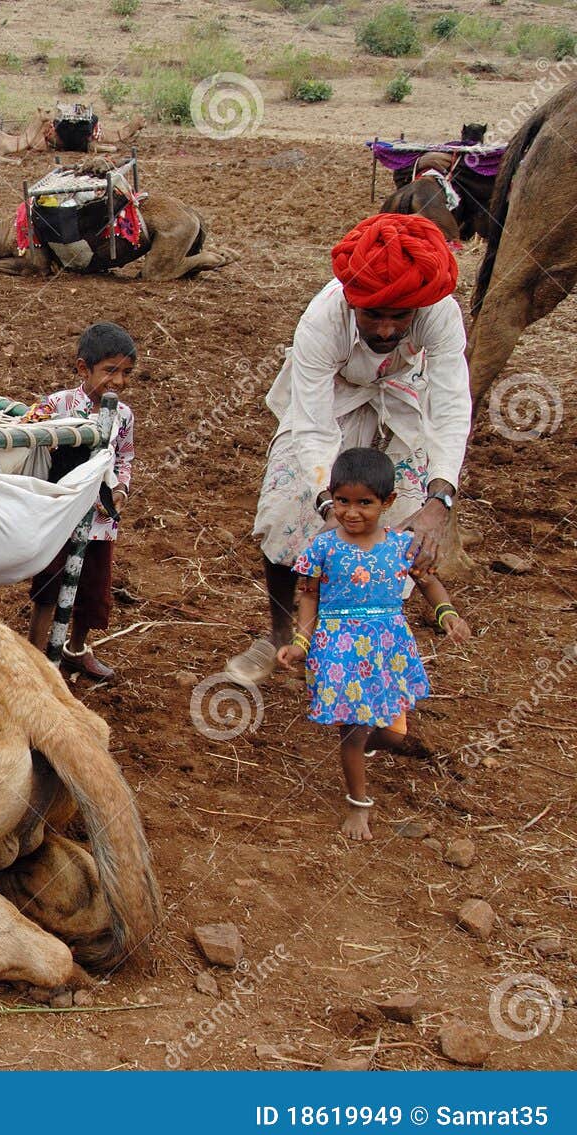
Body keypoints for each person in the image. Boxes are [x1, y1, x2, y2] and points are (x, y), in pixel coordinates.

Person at [226, 213, 469, 686]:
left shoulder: (440, 312)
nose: (384, 330)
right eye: (372, 314)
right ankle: (280, 633)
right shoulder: (322, 321)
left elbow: (451, 406)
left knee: (403, 530)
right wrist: (324, 504)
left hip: (402, 399)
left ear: (420, 308)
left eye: (399, 317)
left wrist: (440, 500)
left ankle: (362, 648)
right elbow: (313, 429)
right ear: (352, 302)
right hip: (331, 400)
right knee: (283, 512)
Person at [275, 447, 471, 840]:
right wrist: (302, 640)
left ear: (388, 502)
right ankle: (357, 805)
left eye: (365, 503)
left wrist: (447, 613)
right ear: (332, 497)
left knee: (392, 734)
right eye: (343, 501)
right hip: (340, 650)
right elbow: (309, 596)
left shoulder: (403, 546)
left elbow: (428, 581)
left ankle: (368, 743)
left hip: (387, 649)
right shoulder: (323, 548)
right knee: (354, 728)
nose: (352, 512)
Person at [27, 322, 136, 680]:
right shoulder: (57, 405)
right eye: (110, 371)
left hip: (101, 518)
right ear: (83, 369)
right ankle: (35, 657)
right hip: (60, 509)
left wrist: (119, 490)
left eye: (126, 373)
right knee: (50, 582)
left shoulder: (123, 415)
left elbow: (124, 457)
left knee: (91, 584)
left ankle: (75, 649)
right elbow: (31, 436)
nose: (118, 381)